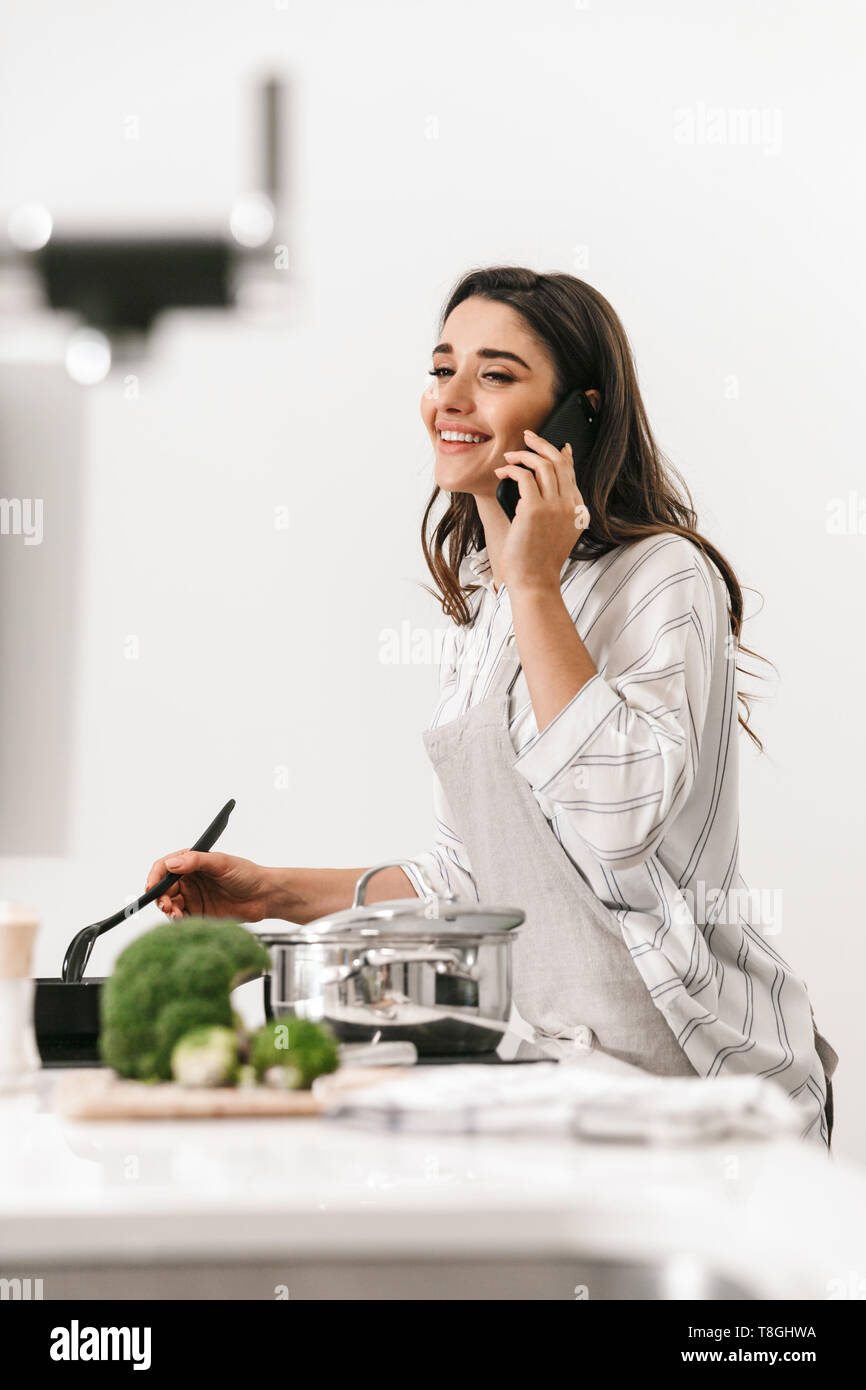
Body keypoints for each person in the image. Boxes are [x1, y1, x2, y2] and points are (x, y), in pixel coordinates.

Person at [146, 265, 837, 1147]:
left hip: (697, 1083)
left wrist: (536, 582)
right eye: (442, 369)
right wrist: (275, 894)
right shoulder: (488, 600)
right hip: (560, 1074)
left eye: (496, 375)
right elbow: (474, 878)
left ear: (576, 415)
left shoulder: (662, 576)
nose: (452, 398)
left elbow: (616, 821)